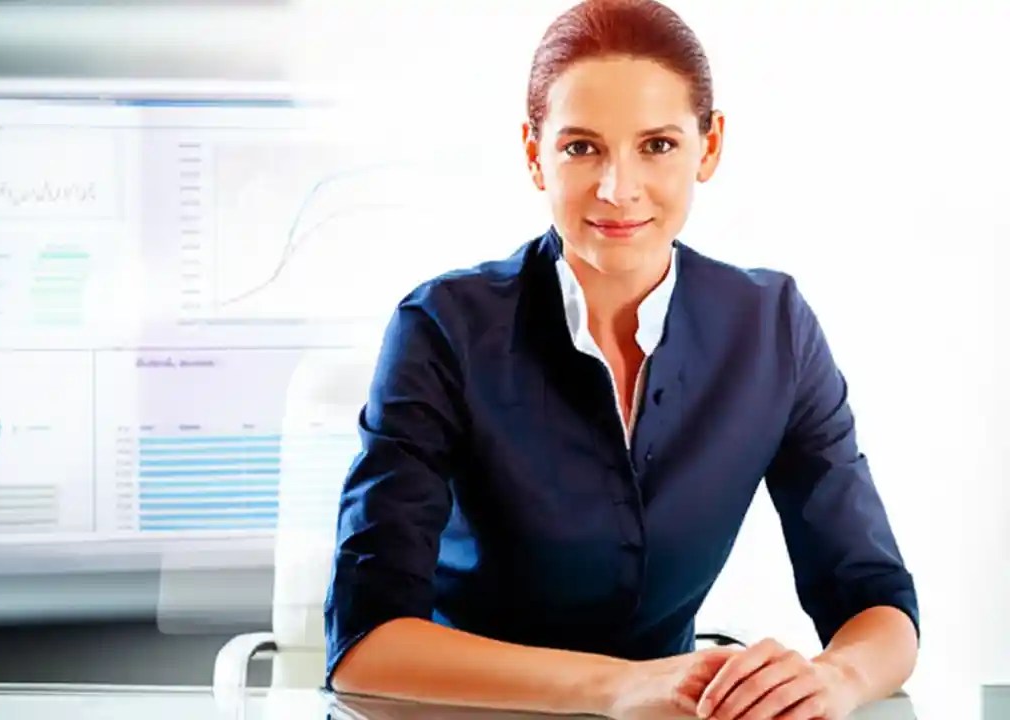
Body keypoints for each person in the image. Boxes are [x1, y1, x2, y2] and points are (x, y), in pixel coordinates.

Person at [322, 1, 921, 718]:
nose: (618, 188)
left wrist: (837, 679)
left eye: (658, 145)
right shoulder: (444, 327)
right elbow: (365, 648)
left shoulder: (772, 329)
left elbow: (879, 607)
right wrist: (622, 686)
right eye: (581, 147)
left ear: (709, 145)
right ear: (532, 153)